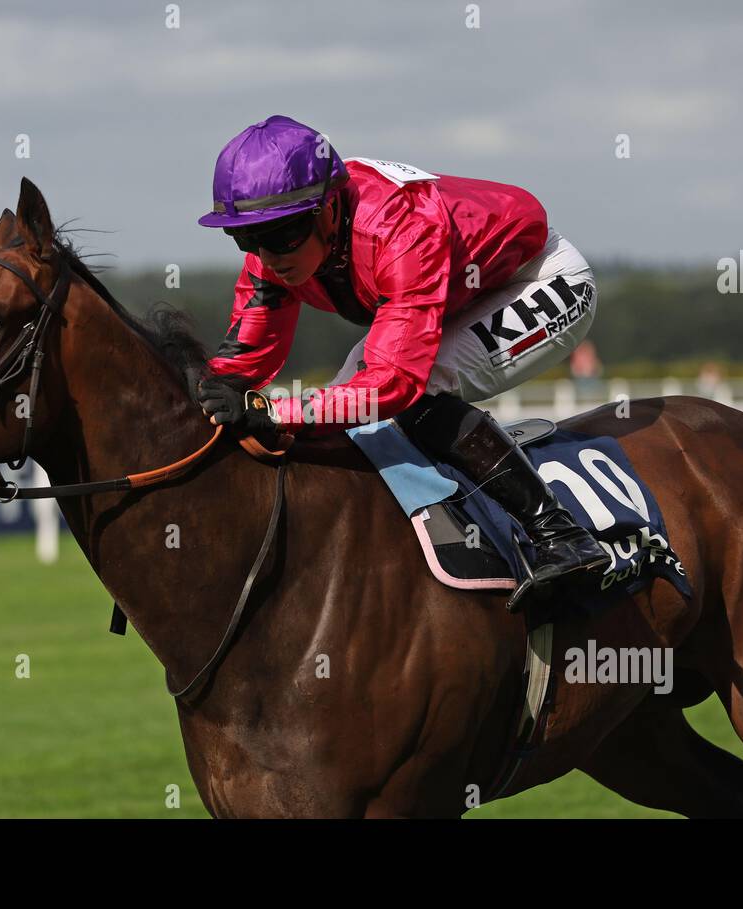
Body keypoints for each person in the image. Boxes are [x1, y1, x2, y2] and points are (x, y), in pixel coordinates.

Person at [194, 115, 608, 609]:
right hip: (455, 295)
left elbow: (393, 384)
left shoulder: (399, 227)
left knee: (412, 390)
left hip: (537, 279)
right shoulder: (274, 251)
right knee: (340, 411)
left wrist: (277, 411)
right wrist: (201, 397)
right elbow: (245, 360)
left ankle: (561, 537)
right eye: (247, 238)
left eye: (282, 234)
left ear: (328, 209)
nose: (267, 254)